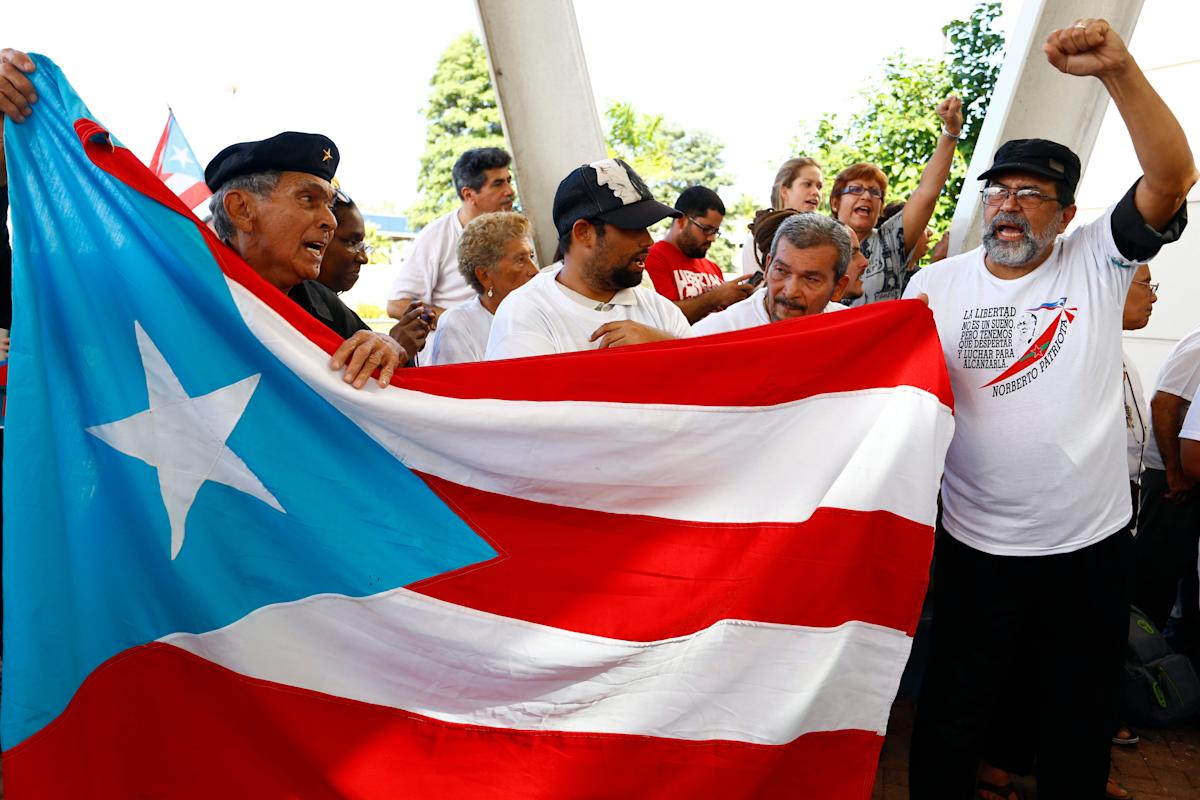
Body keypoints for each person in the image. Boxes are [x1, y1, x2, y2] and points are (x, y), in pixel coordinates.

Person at [902, 17, 1196, 800]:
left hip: (1087, 545)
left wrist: (1119, 72)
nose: (1008, 206)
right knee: (953, 710)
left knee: (1078, 712)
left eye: (1031, 194)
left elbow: (1172, 179)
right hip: (973, 540)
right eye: (998, 189)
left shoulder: (1097, 260)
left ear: (1065, 215)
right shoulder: (936, 287)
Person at [202, 132, 404, 389]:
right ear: (241, 210)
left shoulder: (323, 304)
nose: (330, 221)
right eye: (308, 199)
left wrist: (389, 346)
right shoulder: (182, 295)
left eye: (329, 205)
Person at [484, 158, 691, 359]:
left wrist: (663, 346)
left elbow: (703, 379)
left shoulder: (660, 310)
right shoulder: (524, 314)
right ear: (583, 232)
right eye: (634, 226)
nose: (648, 240)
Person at [832, 96, 962, 306]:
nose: (866, 196)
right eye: (856, 189)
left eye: (875, 193)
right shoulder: (817, 239)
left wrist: (951, 131)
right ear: (835, 201)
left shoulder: (890, 240)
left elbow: (926, 193)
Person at [1132, 314, 1200, 670]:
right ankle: (1141, 663)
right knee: (1157, 572)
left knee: (1185, 569)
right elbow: (1163, 403)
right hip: (1170, 473)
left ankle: (1178, 659)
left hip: (1185, 470)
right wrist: (1174, 471)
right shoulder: (1199, 342)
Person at [385, 147, 515, 325]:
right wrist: (458, 322)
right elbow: (396, 305)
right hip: (456, 350)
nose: (509, 191)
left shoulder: (518, 234)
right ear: (469, 195)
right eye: (498, 184)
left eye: (509, 181)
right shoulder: (435, 237)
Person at [310, 189, 431, 360]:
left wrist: (393, 346)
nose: (363, 258)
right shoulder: (301, 305)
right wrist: (396, 347)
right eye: (352, 243)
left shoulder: (332, 309)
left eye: (363, 246)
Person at [693, 213, 851, 336]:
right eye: (781, 271)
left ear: (838, 288)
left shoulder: (851, 334)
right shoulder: (713, 334)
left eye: (811, 279)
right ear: (767, 267)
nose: (790, 291)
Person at [425, 211, 538, 365]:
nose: (535, 271)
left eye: (531, 257)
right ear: (484, 275)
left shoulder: (542, 312)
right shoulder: (458, 324)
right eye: (520, 260)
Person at [644, 186, 754, 323]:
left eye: (715, 231)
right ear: (682, 221)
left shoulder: (713, 267)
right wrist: (715, 297)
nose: (712, 238)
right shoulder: (651, 258)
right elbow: (665, 318)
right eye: (706, 229)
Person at [739, 157, 824, 274]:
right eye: (807, 184)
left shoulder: (825, 238)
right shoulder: (757, 239)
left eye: (819, 186)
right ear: (784, 191)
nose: (816, 192)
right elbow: (754, 287)